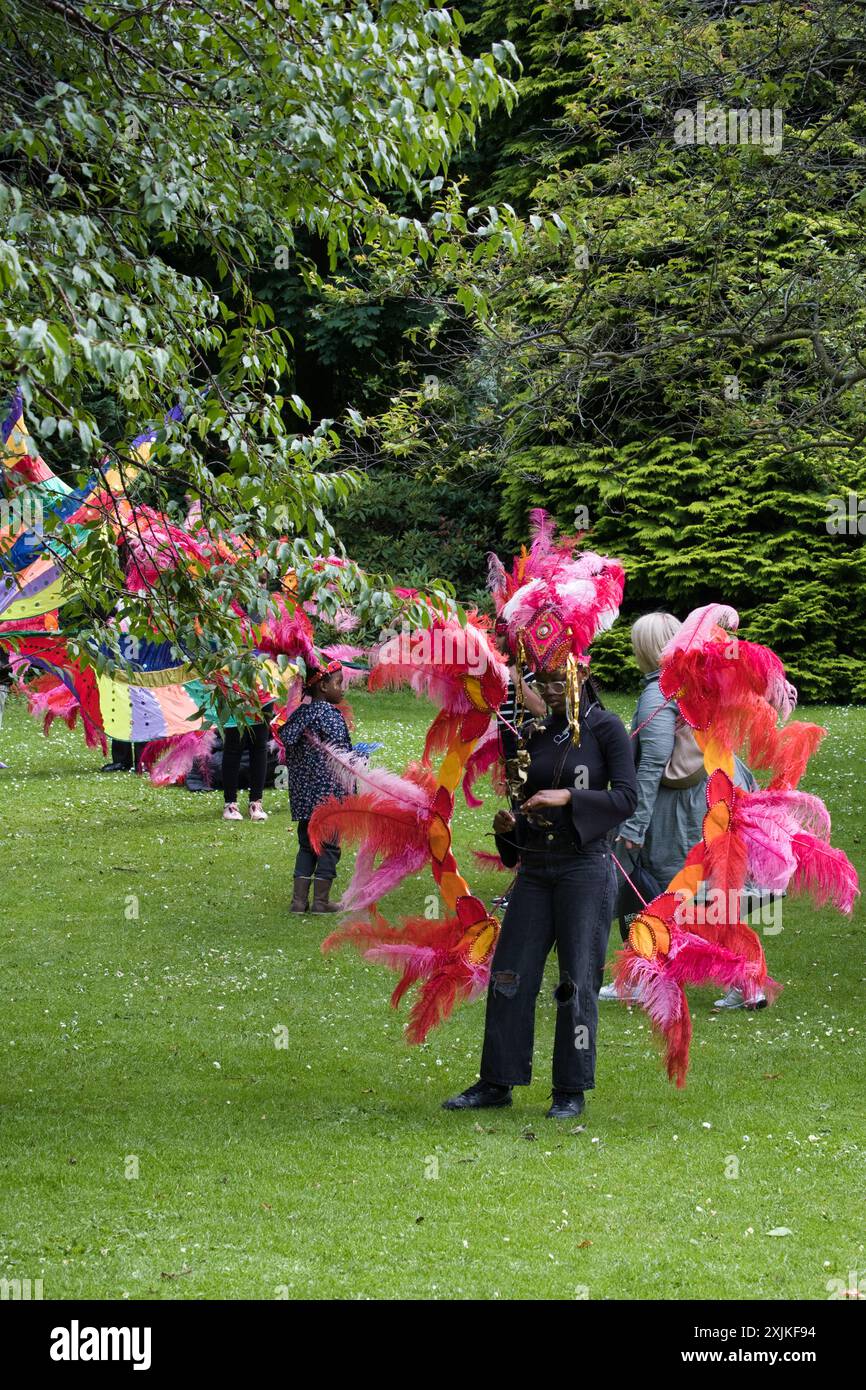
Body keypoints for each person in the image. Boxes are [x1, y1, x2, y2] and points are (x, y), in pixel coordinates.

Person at [602, 611, 766, 1009]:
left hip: (678, 811)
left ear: (644, 648)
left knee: (660, 892)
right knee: (708, 893)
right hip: (716, 790)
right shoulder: (692, 683)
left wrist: (635, 826)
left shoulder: (658, 692)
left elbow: (654, 760)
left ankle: (652, 975)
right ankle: (741, 981)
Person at [279, 660, 351, 914]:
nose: (343, 689)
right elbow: (341, 755)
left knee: (307, 845)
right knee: (329, 846)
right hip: (328, 797)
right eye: (338, 683)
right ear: (323, 685)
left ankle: (298, 902)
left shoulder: (299, 715)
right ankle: (321, 901)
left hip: (304, 798)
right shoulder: (330, 717)